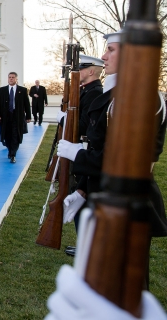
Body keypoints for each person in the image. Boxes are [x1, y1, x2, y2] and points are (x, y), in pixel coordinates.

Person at [57, 32, 167, 268]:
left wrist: (77, 154)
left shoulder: (139, 98)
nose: (104, 56)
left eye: (112, 50)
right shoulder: (118, 96)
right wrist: (83, 191)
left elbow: (120, 161)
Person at [58, 54, 104, 257]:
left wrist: (65, 119)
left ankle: (86, 247)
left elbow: (83, 125)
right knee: (79, 196)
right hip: (82, 153)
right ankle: (84, 245)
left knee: (82, 198)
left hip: (86, 153)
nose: (78, 72)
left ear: (92, 70)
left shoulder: (95, 93)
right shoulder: (87, 91)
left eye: (82, 68)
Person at [0, 72, 31, 163]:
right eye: (9, 77)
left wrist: (28, 116)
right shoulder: (2, 90)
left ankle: (13, 154)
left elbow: (26, 104)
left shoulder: (22, 90)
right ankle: (10, 150)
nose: (11, 79)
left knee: (16, 135)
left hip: (17, 116)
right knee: (7, 136)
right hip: (5, 117)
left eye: (13, 77)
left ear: (16, 79)